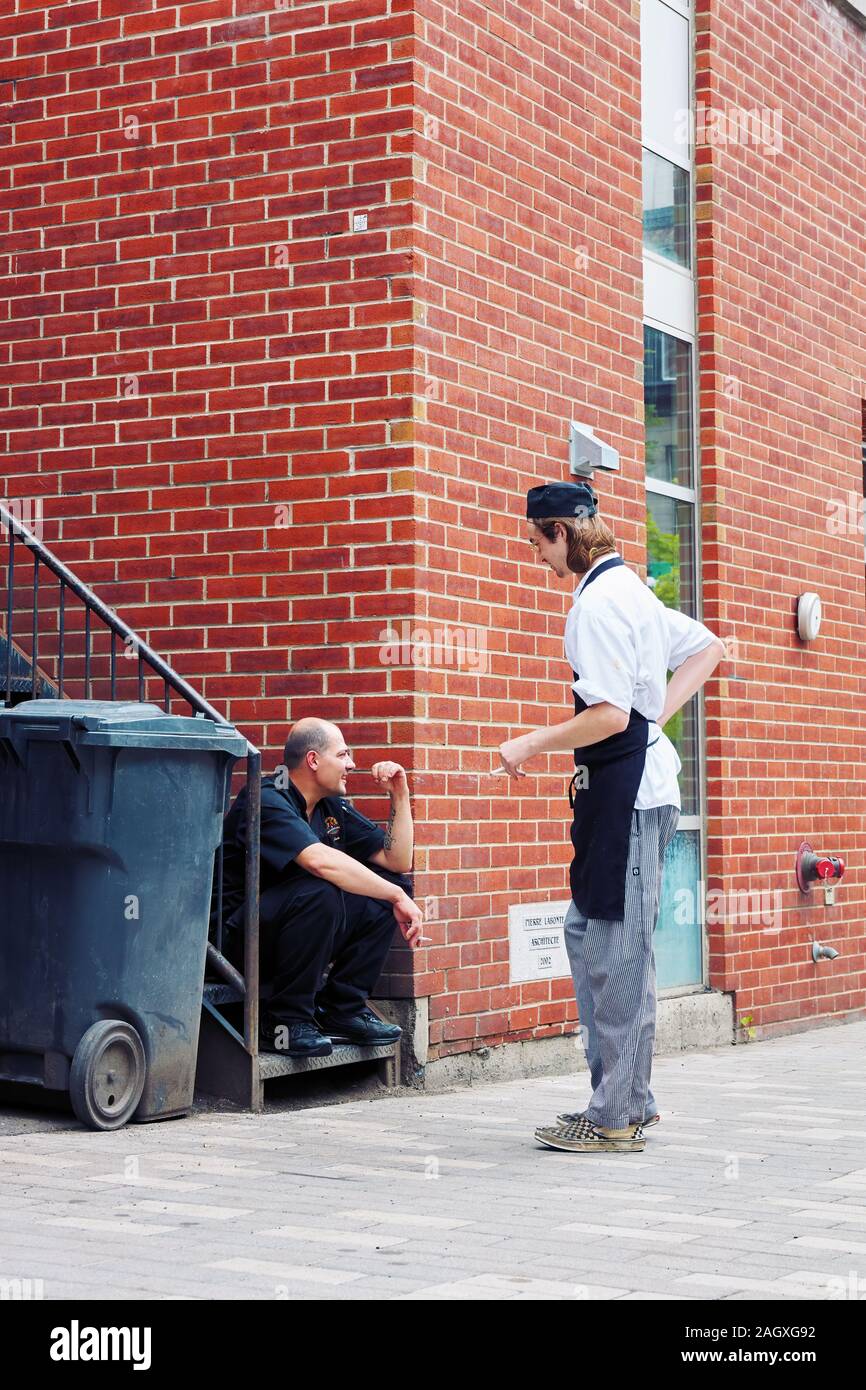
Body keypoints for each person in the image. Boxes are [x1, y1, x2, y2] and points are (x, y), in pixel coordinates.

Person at [498, 480, 724, 1152]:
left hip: (630, 797)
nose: (536, 556)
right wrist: (655, 717)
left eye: (536, 542)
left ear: (558, 533)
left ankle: (615, 1116)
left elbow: (608, 715)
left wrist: (530, 743)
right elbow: (709, 646)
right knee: (587, 937)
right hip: (623, 794)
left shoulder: (598, 605)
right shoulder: (629, 591)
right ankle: (627, 1099)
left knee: (617, 955)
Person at [213, 718, 425, 1058]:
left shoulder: (330, 807)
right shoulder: (266, 799)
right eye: (342, 755)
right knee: (322, 888)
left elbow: (397, 860)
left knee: (389, 886)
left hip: (289, 934)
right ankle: (283, 1021)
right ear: (313, 760)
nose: (351, 764)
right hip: (236, 942)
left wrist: (400, 794)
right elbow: (319, 862)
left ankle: (342, 1008)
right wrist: (396, 896)